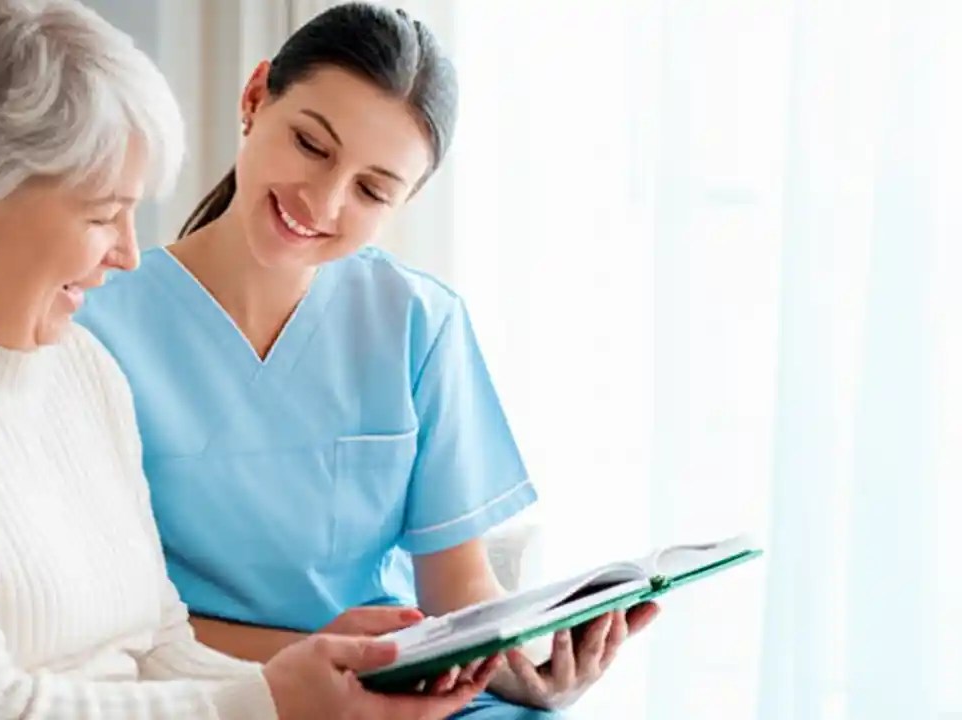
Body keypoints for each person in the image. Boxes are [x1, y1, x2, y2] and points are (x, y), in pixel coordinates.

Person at [0, 1, 502, 717]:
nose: (129, 256)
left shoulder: (78, 369)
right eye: (104, 213)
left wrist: (319, 685)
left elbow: (157, 646)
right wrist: (276, 704)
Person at [76, 3, 660, 718]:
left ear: (405, 201)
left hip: (402, 688)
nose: (322, 199)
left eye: (373, 189)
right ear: (255, 98)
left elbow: (456, 592)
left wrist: (530, 664)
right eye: (311, 145)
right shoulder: (92, 320)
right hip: (216, 690)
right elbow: (95, 623)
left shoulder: (419, 323)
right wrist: (313, 656)